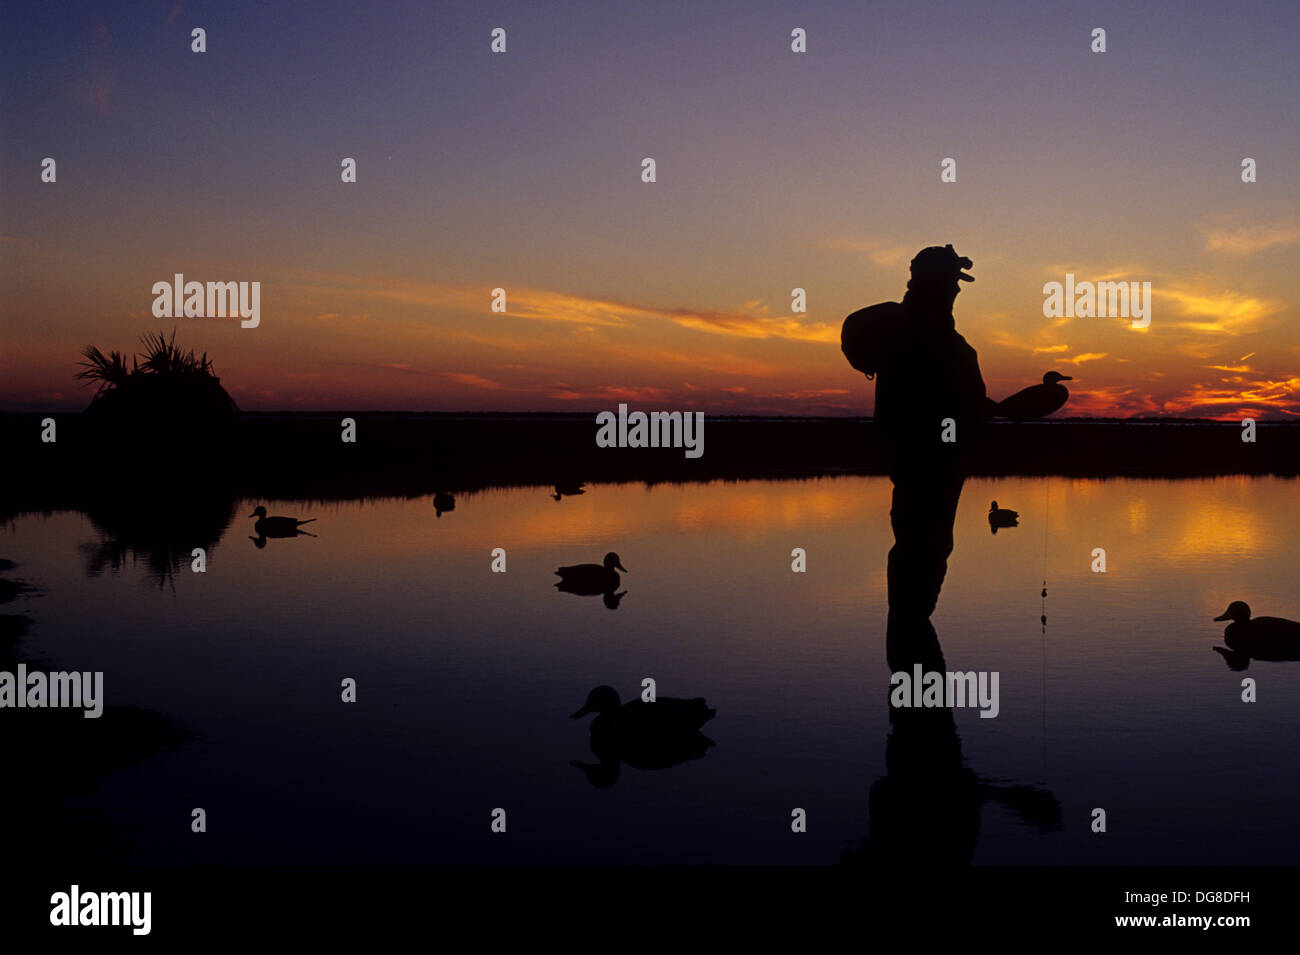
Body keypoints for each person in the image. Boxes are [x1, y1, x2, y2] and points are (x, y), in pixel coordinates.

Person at [872, 244, 992, 618]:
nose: (957, 291)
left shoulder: (932, 338)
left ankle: (912, 650)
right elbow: (940, 401)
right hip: (928, 464)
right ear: (937, 284)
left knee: (923, 549)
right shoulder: (930, 339)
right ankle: (913, 647)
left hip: (925, 463)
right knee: (923, 550)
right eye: (953, 282)